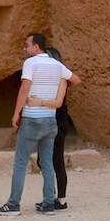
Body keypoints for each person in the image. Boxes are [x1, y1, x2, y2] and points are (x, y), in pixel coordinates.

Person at [0, 33, 71, 216]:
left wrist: (16, 113)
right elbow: (74, 79)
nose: (25, 49)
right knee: (47, 163)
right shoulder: (57, 65)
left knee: (21, 162)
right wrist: (58, 92)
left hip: (32, 119)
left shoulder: (30, 63)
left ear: (36, 47)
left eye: (27, 45)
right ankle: (49, 204)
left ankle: (13, 205)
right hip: (50, 120)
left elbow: (25, 88)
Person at [29, 48, 82, 212]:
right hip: (49, 123)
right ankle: (51, 198)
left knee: (56, 161)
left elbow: (56, 103)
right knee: (44, 161)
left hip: (56, 124)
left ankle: (59, 200)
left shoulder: (60, 79)